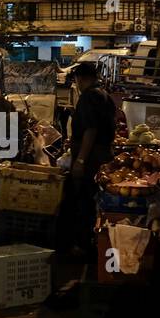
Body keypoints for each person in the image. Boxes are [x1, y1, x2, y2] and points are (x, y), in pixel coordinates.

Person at [68, 61, 117, 258]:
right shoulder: (104, 95)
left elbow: (90, 130)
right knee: (94, 201)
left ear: (80, 79)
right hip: (102, 155)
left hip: (91, 158)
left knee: (84, 201)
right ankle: (91, 243)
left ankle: (82, 247)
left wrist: (80, 161)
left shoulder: (89, 97)